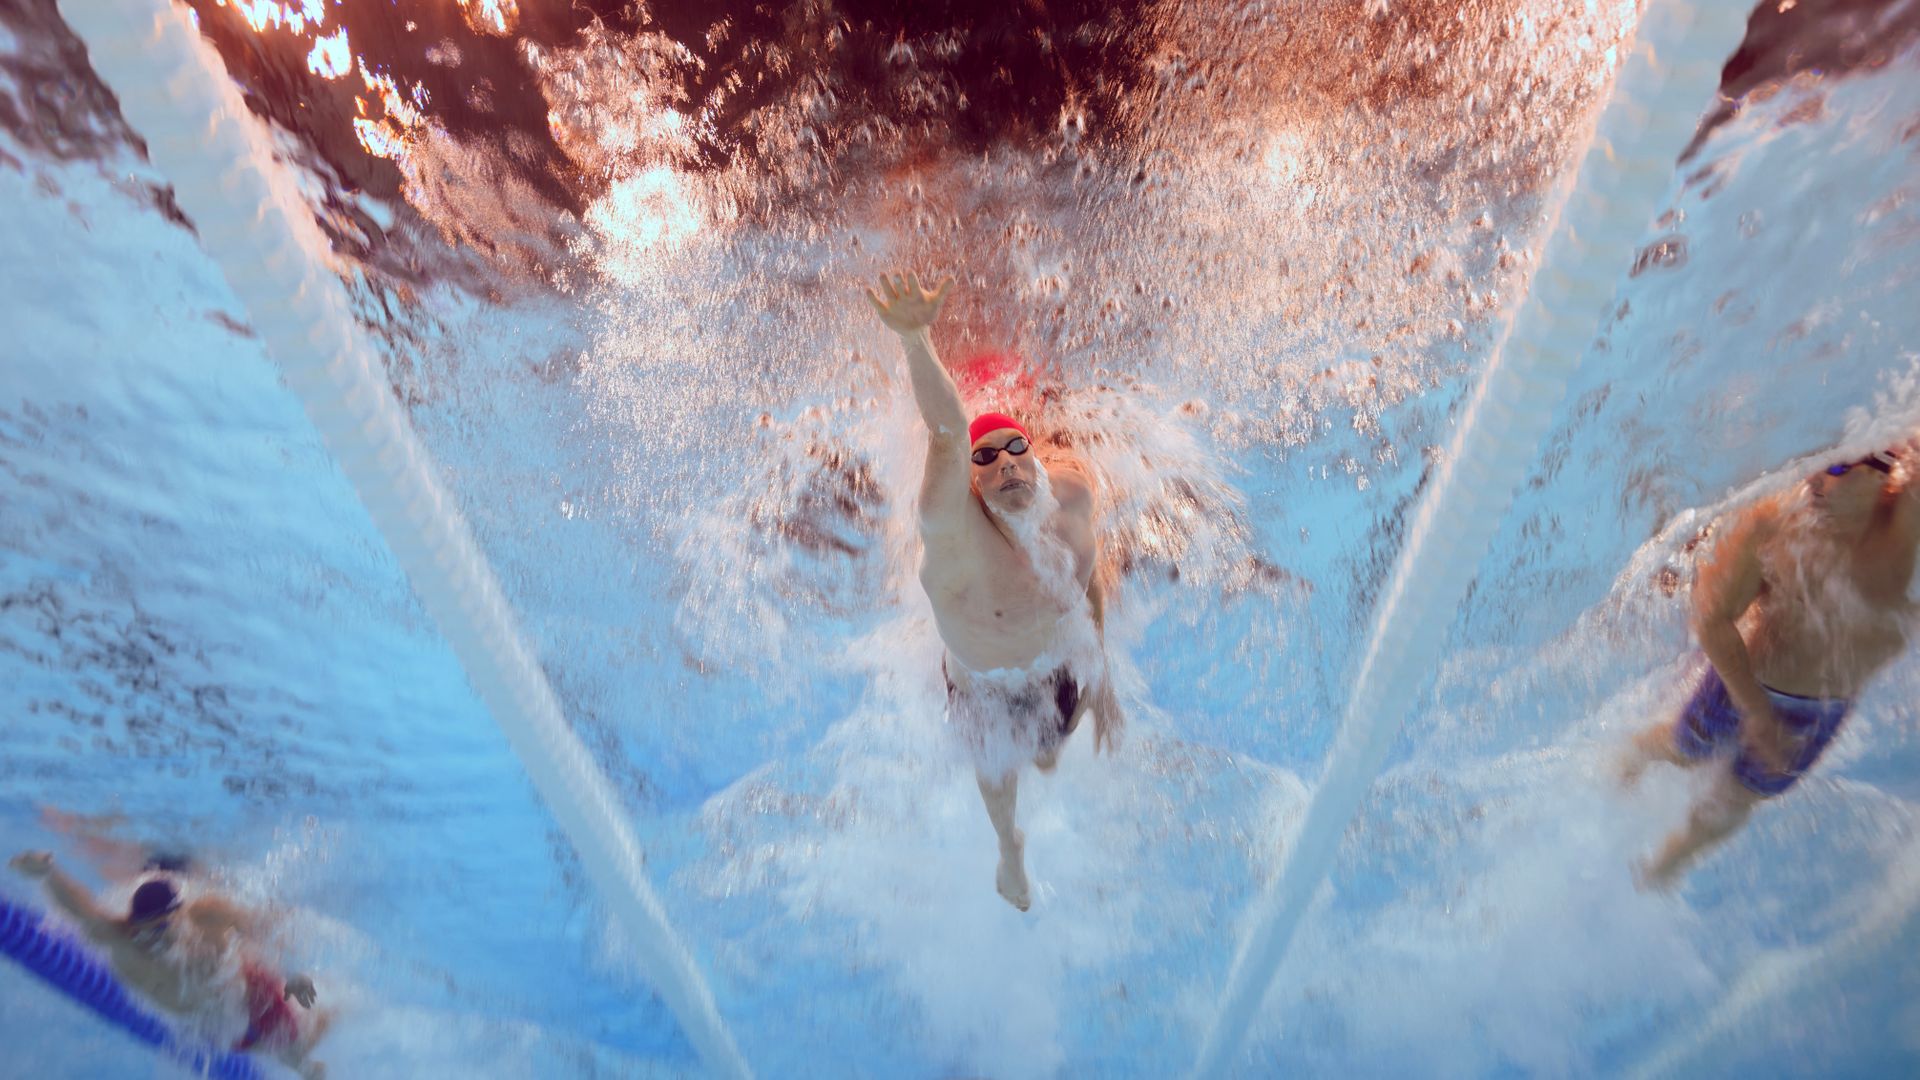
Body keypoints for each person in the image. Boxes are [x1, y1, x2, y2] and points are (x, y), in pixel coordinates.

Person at [866, 270, 1124, 911]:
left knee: (1047, 754)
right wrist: (914, 340)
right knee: (998, 773)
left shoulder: (1070, 500)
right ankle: (1009, 850)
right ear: (970, 485)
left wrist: (1103, 681)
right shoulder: (953, 533)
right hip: (982, 687)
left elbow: (1090, 589)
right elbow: (950, 431)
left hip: (1058, 665)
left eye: (1015, 449)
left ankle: (1048, 754)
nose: (1005, 462)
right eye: (988, 459)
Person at [1619, 445, 1920, 888]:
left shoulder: (1904, 521)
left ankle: (1658, 874)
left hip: (1820, 710)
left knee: (1739, 799)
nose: (1814, 476)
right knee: (1682, 748)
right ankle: (1614, 775)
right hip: (1743, 685)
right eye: (1816, 460)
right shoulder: (1777, 522)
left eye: (1836, 466)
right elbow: (1712, 621)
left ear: (1881, 473)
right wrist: (1755, 709)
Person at [9, 850, 333, 1078]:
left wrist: (292, 972)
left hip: (250, 997)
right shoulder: (122, 938)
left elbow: (266, 926)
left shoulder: (205, 916)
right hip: (211, 1024)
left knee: (300, 1055)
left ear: (178, 916)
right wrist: (48, 873)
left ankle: (337, 1019)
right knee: (267, 1050)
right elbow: (82, 908)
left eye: (162, 928)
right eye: (143, 931)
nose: (152, 939)